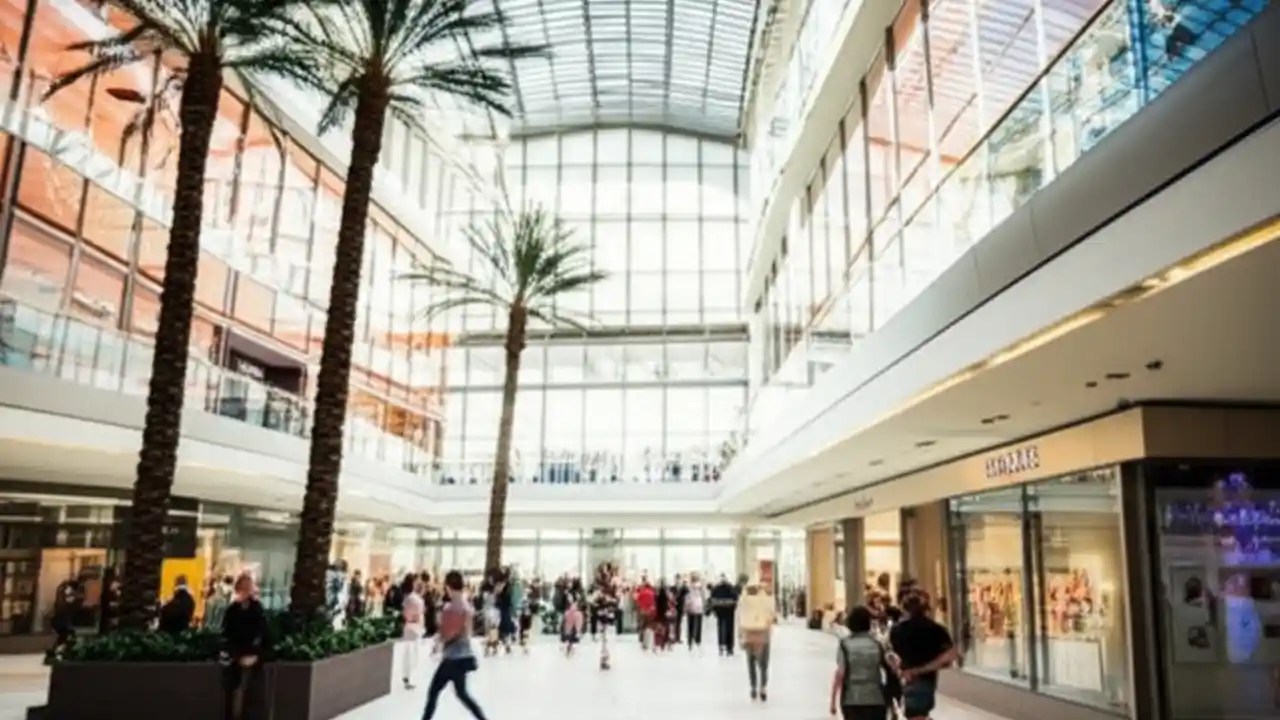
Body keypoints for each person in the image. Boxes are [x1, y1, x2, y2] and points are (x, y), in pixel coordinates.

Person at [423, 570, 487, 720]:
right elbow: (468, 632)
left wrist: (440, 640)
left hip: (451, 658)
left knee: (433, 692)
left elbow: (448, 633)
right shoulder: (467, 606)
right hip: (464, 656)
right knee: (462, 694)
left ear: (448, 587)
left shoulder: (450, 608)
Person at [888, 593, 957, 720]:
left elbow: (891, 655)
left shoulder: (897, 630)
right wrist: (925, 668)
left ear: (904, 609)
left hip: (906, 679)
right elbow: (949, 655)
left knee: (915, 714)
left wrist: (900, 670)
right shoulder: (937, 629)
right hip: (927, 679)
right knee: (919, 713)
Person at [831, 606, 898, 720]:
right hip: (876, 698)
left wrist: (833, 701)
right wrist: (892, 705)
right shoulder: (878, 644)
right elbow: (890, 671)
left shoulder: (845, 645)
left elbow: (840, 674)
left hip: (851, 699)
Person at [222, 574, 268, 720]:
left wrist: (255, 655)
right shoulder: (232, 610)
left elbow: (263, 635)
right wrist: (234, 655)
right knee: (235, 693)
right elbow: (227, 634)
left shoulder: (257, 610)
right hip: (236, 659)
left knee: (252, 695)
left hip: (253, 659)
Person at [737, 580, 777, 702]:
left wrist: (740, 636)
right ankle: (763, 688)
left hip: (748, 633)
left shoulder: (743, 599)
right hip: (763, 634)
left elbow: (738, 618)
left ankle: (753, 687)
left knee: (751, 662)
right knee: (763, 664)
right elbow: (772, 614)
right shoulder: (765, 599)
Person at [401, 580, 426, 690]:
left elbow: (404, 612)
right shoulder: (419, 601)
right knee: (413, 655)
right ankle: (410, 679)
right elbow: (420, 615)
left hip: (407, 626)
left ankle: (405, 675)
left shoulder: (408, 598)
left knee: (407, 653)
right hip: (415, 627)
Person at [710, 574, 740, 656]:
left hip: (721, 611)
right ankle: (729, 647)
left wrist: (715, 610)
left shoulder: (716, 588)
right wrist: (733, 607)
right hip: (729, 611)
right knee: (729, 628)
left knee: (720, 628)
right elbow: (735, 599)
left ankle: (721, 646)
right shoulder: (730, 588)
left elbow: (712, 600)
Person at [685, 574, 706, 650]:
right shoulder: (700, 587)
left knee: (690, 625)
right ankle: (697, 640)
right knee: (699, 625)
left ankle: (690, 642)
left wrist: (686, 607)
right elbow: (703, 597)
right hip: (698, 609)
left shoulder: (689, 587)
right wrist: (704, 606)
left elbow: (687, 598)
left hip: (690, 609)